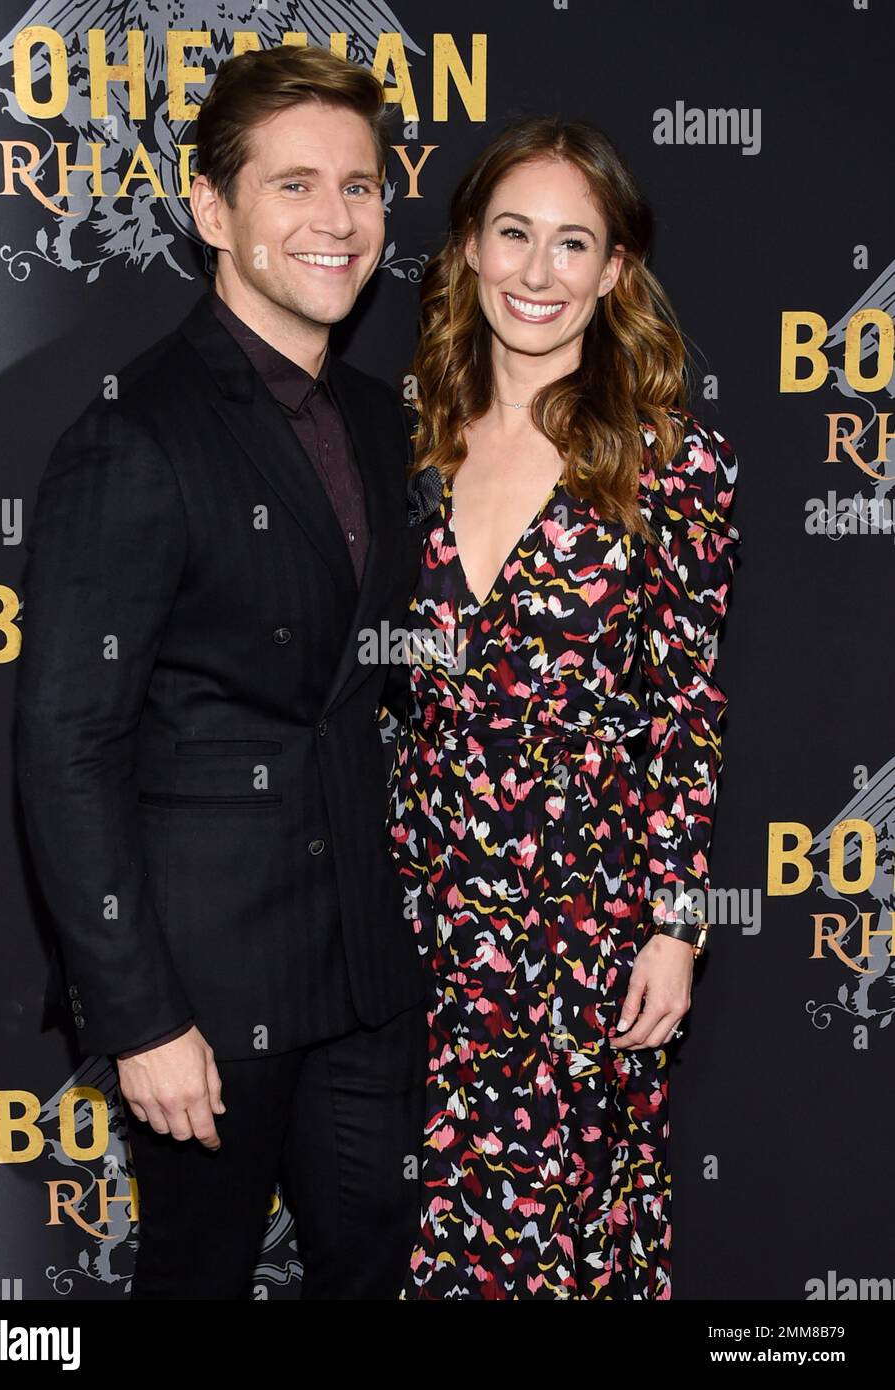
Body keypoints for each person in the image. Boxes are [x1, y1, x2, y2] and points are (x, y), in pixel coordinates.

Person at [13, 45, 427, 1300]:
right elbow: (65, 743)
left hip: (365, 982)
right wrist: (137, 1015)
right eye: (294, 184)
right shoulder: (135, 436)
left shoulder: (379, 419)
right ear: (211, 210)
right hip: (202, 996)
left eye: (359, 188)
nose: (336, 220)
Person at [387, 116, 741, 1299]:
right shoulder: (403, 440)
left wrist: (677, 927)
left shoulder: (672, 463)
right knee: (414, 1243)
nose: (538, 274)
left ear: (615, 270)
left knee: (567, 1248)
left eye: (572, 244)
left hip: (586, 933)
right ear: (469, 250)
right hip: (414, 925)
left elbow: (687, 710)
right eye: (514, 235)